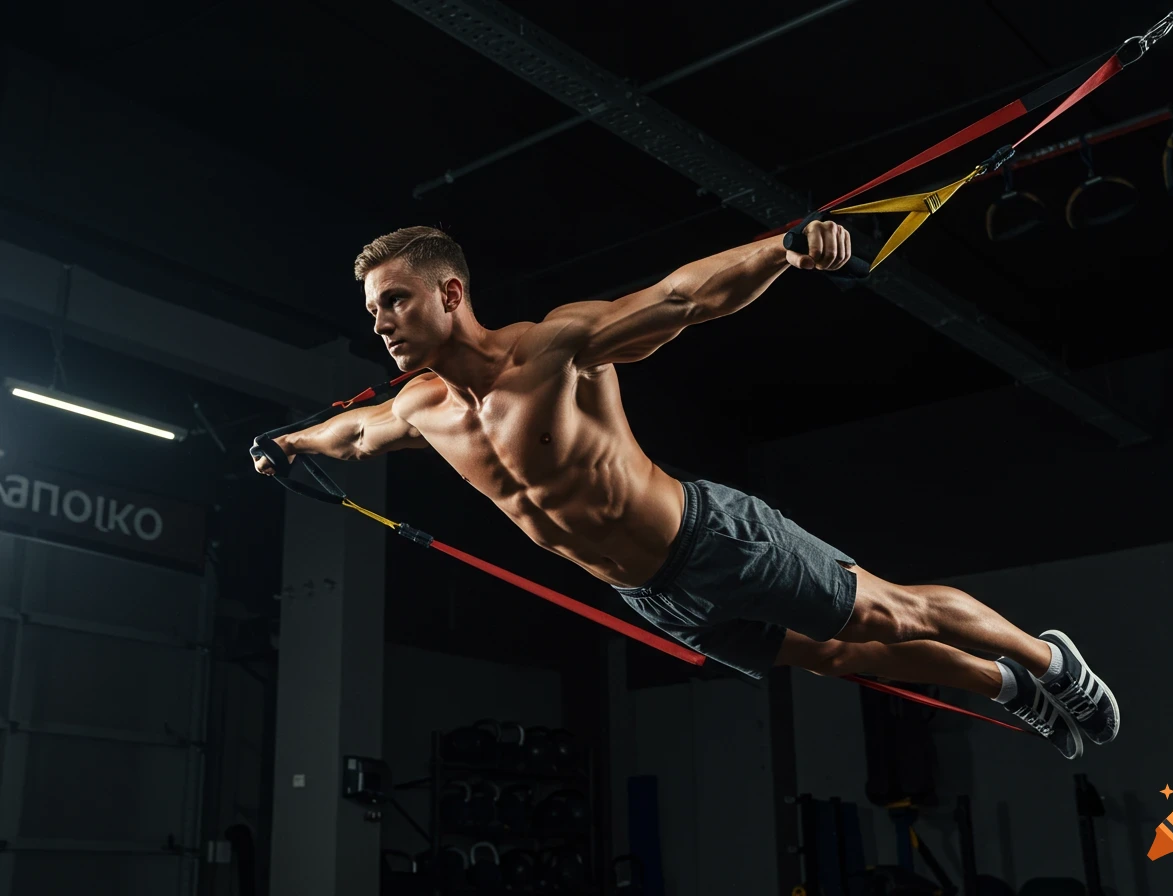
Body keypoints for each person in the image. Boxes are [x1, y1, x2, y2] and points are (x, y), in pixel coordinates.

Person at [252, 224, 1118, 759]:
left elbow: (681, 299)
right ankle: (1009, 688)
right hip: (652, 595)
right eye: (374, 310)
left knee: (887, 615)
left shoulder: (553, 350)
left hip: (711, 541)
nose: (381, 322)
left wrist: (782, 250)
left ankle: (1052, 663)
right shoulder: (421, 408)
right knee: (839, 658)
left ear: (450, 292)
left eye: (395, 300)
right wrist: (288, 443)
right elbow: (353, 433)